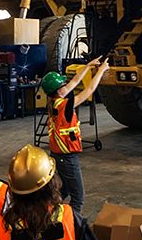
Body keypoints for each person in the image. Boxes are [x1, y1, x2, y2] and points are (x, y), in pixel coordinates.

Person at [40, 57, 108, 214]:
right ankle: (72, 224)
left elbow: (75, 82)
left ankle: (49, 216)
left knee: (63, 191)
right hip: (67, 158)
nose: (67, 85)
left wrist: (88, 65)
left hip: (58, 156)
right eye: (64, 85)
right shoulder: (64, 106)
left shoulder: (54, 102)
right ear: (59, 91)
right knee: (78, 197)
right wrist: (101, 70)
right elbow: (89, 90)